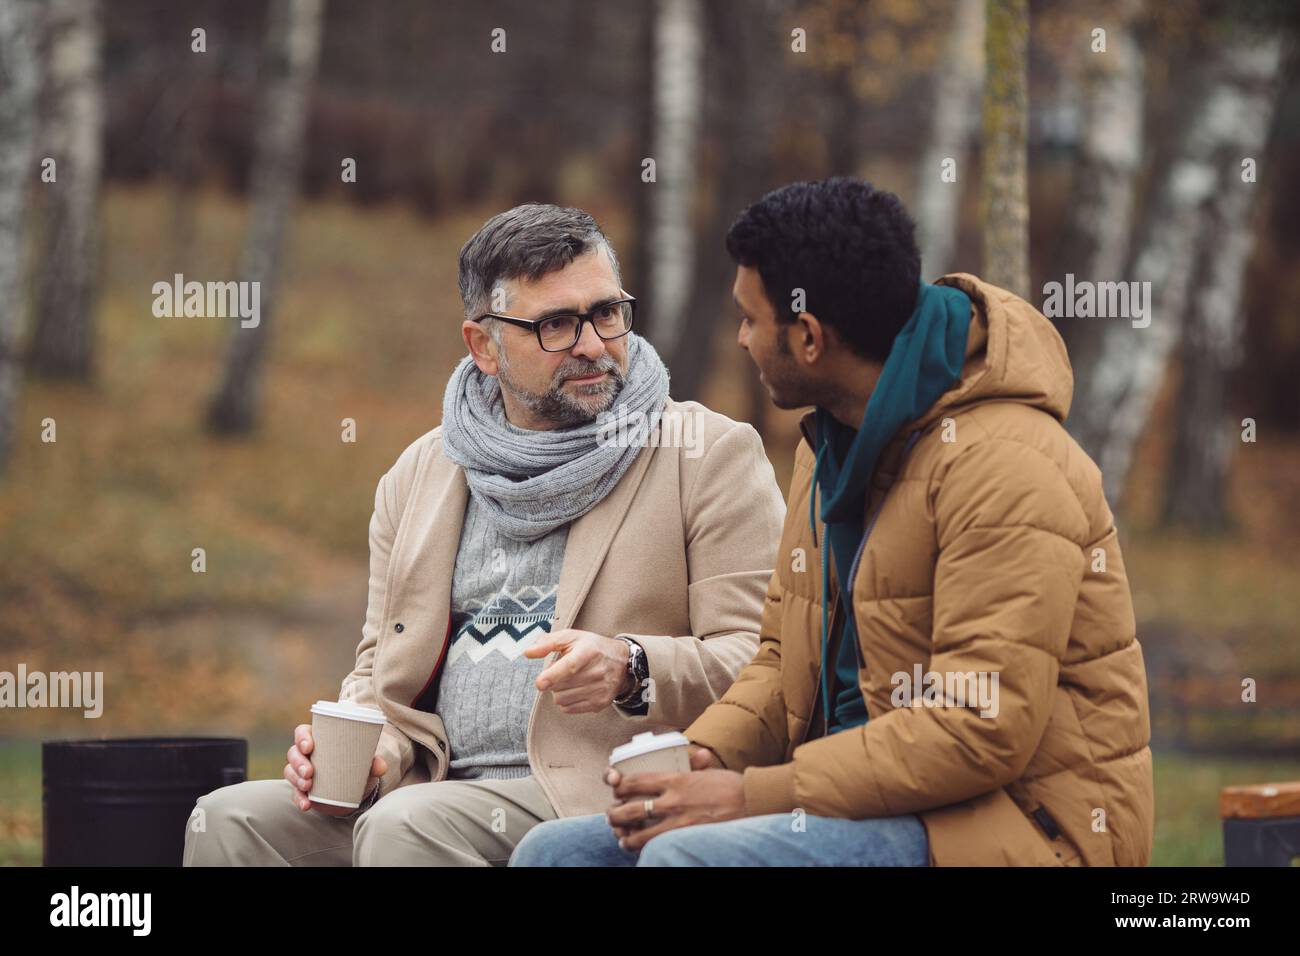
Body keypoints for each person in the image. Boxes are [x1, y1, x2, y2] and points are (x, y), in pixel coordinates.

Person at [511, 177, 1154, 867]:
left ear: (810, 337)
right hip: (853, 803)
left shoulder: (1006, 468)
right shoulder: (831, 448)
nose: (742, 339)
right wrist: (704, 757)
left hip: (1018, 828)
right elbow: (781, 663)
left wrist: (752, 797)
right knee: (559, 854)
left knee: (687, 862)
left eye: (752, 320)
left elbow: (977, 729)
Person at [183, 203, 785, 866]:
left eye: (606, 313)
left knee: (407, 826)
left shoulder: (707, 454)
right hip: (432, 785)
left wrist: (633, 666)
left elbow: (767, 666)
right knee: (227, 818)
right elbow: (379, 670)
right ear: (483, 346)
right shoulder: (421, 473)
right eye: (555, 324)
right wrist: (371, 757)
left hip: (595, 792)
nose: (591, 344)